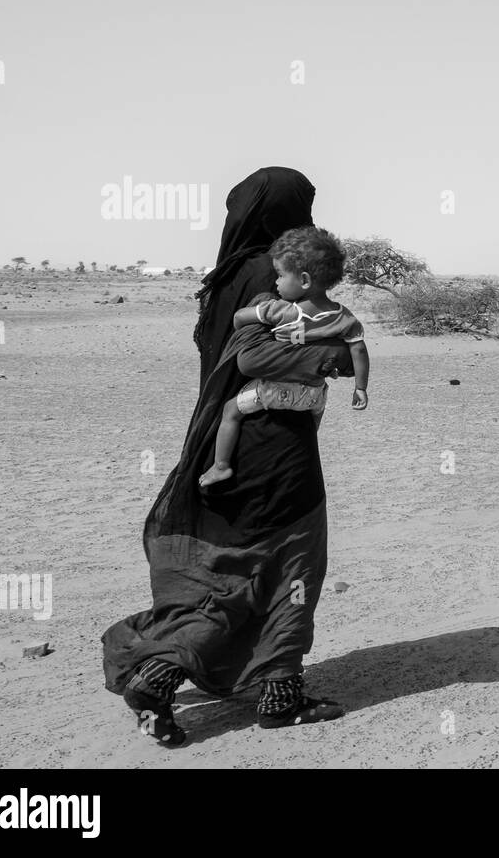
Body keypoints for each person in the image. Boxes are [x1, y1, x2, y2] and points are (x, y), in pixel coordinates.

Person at [102, 167, 351, 746]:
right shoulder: (280, 274)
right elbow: (260, 359)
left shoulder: (224, 277)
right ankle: (279, 696)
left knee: (228, 572)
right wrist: (330, 360)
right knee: (293, 563)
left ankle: (161, 673)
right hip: (276, 445)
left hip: (219, 442)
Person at [199, 226, 369, 488]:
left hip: (273, 392)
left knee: (230, 411)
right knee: (311, 423)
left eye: (279, 275)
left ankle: (220, 466)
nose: (276, 283)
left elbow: (239, 319)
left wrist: (253, 315)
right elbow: (358, 350)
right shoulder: (344, 317)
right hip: (314, 397)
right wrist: (360, 387)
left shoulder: (285, 311)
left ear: (304, 280)